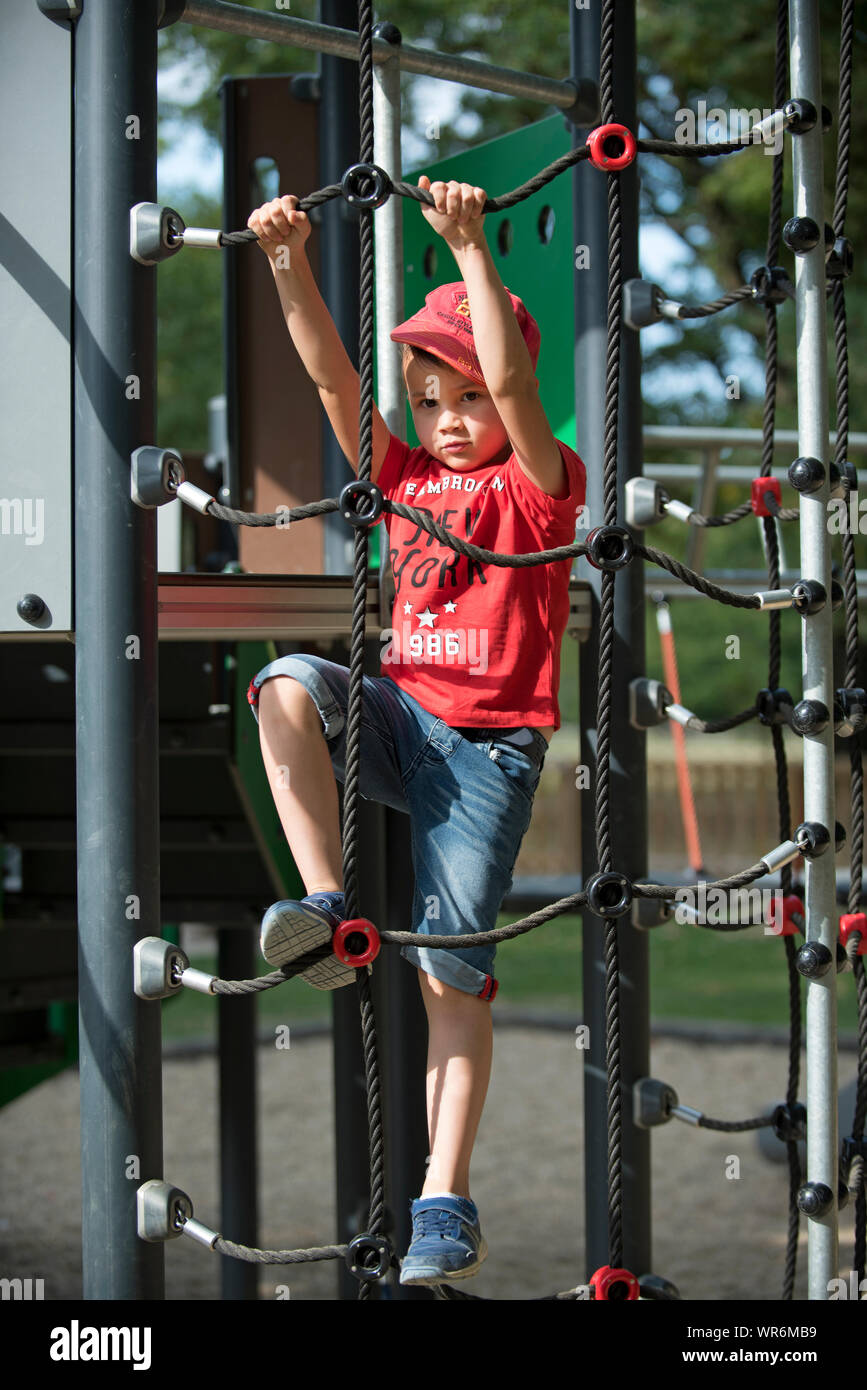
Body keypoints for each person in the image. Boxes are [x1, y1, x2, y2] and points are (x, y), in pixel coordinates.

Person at [244, 176, 586, 1286]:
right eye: (431, 397)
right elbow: (332, 379)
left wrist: (474, 253)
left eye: (467, 400)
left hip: (486, 756)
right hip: (399, 719)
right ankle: (327, 903)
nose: (448, 419)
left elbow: (522, 383)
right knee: (286, 684)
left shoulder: (541, 490)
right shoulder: (398, 479)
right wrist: (288, 261)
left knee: (448, 972)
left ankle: (444, 1193)